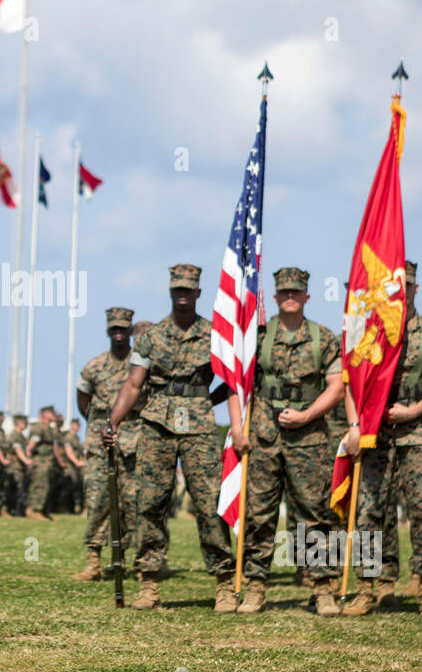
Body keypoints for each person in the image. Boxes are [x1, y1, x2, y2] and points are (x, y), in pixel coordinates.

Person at [105, 264, 237, 611]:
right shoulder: (151, 336)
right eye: (177, 288)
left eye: (188, 289)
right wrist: (113, 422)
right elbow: (133, 384)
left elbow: (234, 378)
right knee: (150, 502)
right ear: (170, 291)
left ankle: (225, 582)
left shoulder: (214, 334)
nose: (182, 293)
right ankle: (149, 582)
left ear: (198, 293)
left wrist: (208, 399)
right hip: (157, 423)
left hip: (199, 425)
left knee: (209, 503)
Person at [339, 262, 422, 617]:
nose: (401, 293)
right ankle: (367, 589)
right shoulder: (367, 331)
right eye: (395, 287)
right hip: (375, 433)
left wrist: (413, 411)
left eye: (408, 286)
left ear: (416, 289)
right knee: (370, 513)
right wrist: (355, 426)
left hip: (417, 433)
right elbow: (350, 384)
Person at [232, 268, 344, 616]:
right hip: (264, 438)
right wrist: (237, 428)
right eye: (284, 292)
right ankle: (255, 587)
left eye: (296, 291)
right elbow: (235, 382)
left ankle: (322, 588)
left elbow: (337, 385)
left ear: (307, 296)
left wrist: (307, 415)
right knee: (259, 514)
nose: (290, 296)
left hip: (309, 439)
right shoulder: (258, 337)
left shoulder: (323, 338)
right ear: (276, 297)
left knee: (314, 515)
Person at [74, 307, 141, 581]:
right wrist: (99, 425)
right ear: (107, 331)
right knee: (98, 500)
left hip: (133, 441)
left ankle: (135, 561)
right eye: (113, 329)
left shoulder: (140, 366)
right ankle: (93, 561)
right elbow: (83, 400)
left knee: (133, 502)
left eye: (122, 330)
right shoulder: (94, 366)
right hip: (100, 444)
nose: (118, 334)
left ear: (130, 331)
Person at [25, 406, 61, 521]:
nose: (54, 415)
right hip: (41, 462)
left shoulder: (48, 428)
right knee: (39, 486)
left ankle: (44, 511)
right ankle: (35, 510)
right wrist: (30, 460)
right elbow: (30, 446)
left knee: (46, 486)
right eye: (51, 413)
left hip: (47, 462)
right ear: (44, 414)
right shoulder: (39, 428)